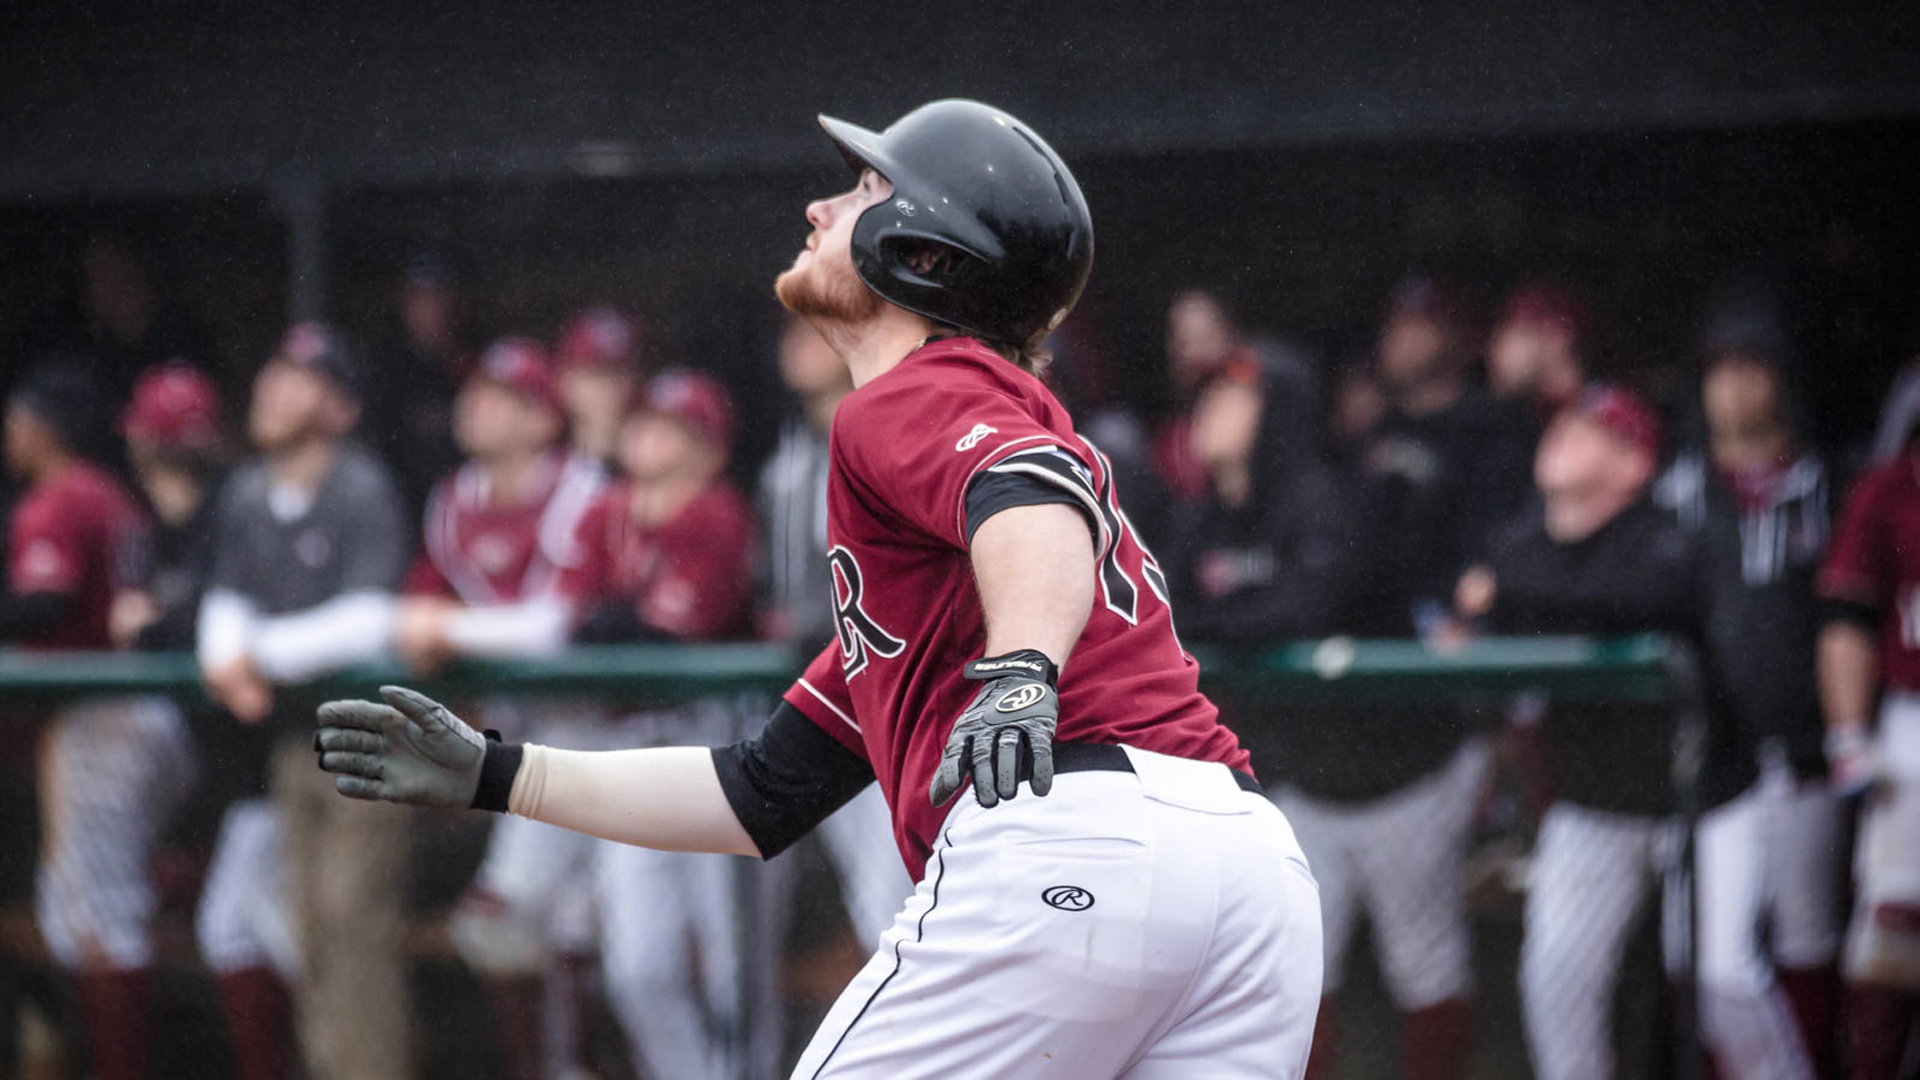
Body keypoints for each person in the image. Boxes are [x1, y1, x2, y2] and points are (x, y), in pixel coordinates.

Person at [315, 98, 1321, 1079]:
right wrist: (506, 775)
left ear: (923, 255)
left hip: (1078, 833)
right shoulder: (944, 550)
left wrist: (1022, 670)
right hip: (1246, 873)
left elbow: (1030, 497)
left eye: (863, 189)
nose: (820, 209)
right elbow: (762, 791)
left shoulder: (917, 386)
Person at [407, 362, 755, 1080]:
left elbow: (662, 632)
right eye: (647, 421)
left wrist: (605, 619)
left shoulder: (716, 510)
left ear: (710, 449)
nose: (653, 437)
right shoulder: (608, 509)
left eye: (675, 429)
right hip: (626, 749)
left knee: (728, 963)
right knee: (636, 966)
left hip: (722, 750)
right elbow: (569, 620)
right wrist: (602, 620)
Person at [1456, 386, 1787, 1080]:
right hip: (1596, 797)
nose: (1563, 439)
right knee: (1556, 983)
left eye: (1589, 432)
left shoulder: (1667, 536)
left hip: (1708, 794)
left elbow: (1638, 600)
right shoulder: (1522, 542)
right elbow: (1482, 616)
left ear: (1635, 464)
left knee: (1721, 978)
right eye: (1563, 426)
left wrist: (1509, 599)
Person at [388, 337, 605, 1080]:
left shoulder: (586, 489)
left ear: (543, 419)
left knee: (645, 954)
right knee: (520, 921)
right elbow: (417, 610)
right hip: (527, 734)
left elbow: (557, 625)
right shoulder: (455, 499)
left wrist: (447, 631)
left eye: (499, 395)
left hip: (620, 730)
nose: (472, 406)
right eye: (472, 390)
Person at [197, 323, 410, 1080]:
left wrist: (258, 655)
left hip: (367, 739)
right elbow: (224, 598)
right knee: (310, 931)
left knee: (354, 927)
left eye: (301, 378)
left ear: (341, 407)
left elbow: (368, 617)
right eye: (273, 372)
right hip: (295, 740)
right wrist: (223, 654)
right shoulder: (250, 490)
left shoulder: (360, 485)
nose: (274, 389)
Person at [1656, 342, 1846, 1076]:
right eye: (1718, 370)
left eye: (1751, 367)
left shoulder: (1823, 483)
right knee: (1700, 957)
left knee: (1807, 935)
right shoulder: (1681, 489)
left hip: (1809, 742)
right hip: (1715, 751)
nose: (1731, 388)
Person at [1, 361, 191, 1080]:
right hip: (133, 719)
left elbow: (45, 605)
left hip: (102, 719)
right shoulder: (112, 495)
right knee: (84, 913)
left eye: (18, 420)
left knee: (98, 920)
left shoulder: (61, 499)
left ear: (45, 427)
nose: (10, 434)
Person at [755, 310, 917, 978]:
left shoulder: (901, 435)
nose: (794, 339)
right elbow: (767, 593)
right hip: (822, 715)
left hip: (900, 712)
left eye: (814, 325)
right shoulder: (787, 463)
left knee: (908, 921)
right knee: (880, 921)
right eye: (788, 326)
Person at [1815, 417, 1920, 1080]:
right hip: (1912, 718)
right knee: (1891, 929)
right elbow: (1847, 621)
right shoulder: (1890, 488)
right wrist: (1850, 735)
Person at [361, 251, 476, 514]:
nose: (428, 310)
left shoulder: (472, 367)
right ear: (403, 304)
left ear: (453, 302)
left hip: (463, 508)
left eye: (437, 298)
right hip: (403, 508)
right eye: (419, 299)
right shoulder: (384, 373)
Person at [554, 306, 647, 470]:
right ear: (565, 380)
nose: (611, 388)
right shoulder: (542, 474)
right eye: (596, 375)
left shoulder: (651, 474)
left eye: (621, 373)